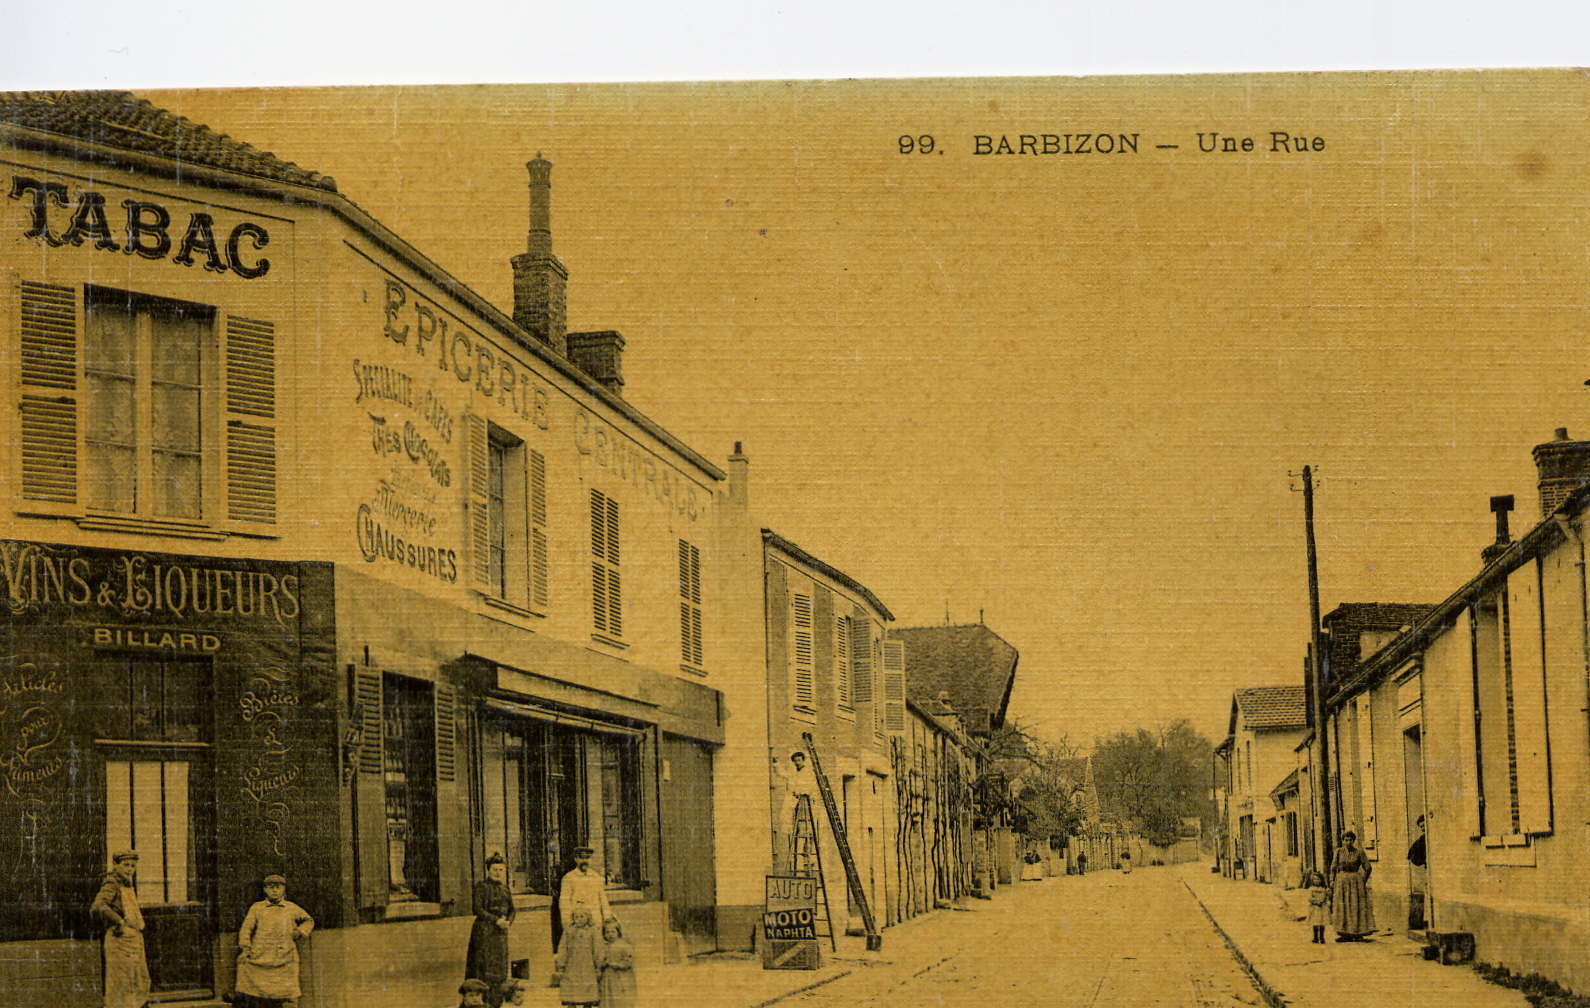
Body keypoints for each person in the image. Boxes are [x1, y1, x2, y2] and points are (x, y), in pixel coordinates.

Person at [235, 874, 315, 1007]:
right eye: (270, 887)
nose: (274, 891)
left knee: (288, 987)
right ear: (265, 890)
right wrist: (245, 948)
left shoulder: (291, 907)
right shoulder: (257, 907)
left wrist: (300, 931)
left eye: (278, 887)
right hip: (261, 953)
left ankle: (288, 1003)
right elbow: (246, 929)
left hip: (285, 954)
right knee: (245, 967)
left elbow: (309, 921)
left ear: (283, 889)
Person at [91, 850, 150, 1008]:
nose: (129, 869)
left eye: (132, 865)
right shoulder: (112, 882)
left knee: (138, 977)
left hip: (133, 937)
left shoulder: (127, 882)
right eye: (125, 865)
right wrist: (119, 922)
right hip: (120, 939)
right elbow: (98, 906)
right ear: (116, 865)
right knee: (121, 980)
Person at [466, 853, 516, 1007]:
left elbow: (513, 910)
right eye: (495, 869)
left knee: (500, 969)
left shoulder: (505, 888)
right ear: (488, 870)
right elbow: (477, 909)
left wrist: (508, 921)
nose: (498, 873)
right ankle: (482, 1003)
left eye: (501, 870)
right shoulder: (481, 887)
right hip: (484, 933)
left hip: (500, 935)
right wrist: (496, 920)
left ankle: (496, 1002)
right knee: (483, 968)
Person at [552, 909, 604, 1007]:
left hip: (588, 966)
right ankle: (571, 1005)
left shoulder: (593, 931)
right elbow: (563, 948)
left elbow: (598, 948)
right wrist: (561, 963)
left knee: (587, 988)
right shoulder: (569, 931)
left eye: (582, 917)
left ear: (588, 917)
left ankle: (587, 1005)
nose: (579, 919)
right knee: (571, 987)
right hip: (572, 966)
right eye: (576, 917)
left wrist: (598, 964)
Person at [1330, 831, 1376, 941]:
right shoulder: (1339, 852)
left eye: (1350, 840)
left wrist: (1362, 880)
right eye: (1346, 840)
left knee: (1356, 905)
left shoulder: (1359, 852)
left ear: (1353, 841)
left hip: (1356, 882)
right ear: (1343, 841)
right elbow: (1333, 867)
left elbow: (1368, 867)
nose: (1348, 842)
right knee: (1343, 905)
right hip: (1341, 881)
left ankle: (1358, 933)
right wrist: (1332, 880)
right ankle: (1344, 933)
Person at [558, 846, 612, 937]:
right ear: (576, 859)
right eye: (581, 858)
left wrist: (607, 918)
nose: (584, 861)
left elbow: (603, 899)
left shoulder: (596, 877)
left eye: (587, 858)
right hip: (578, 922)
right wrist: (568, 922)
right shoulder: (569, 878)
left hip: (595, 920)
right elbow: (564, 903)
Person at [598, 919, 636, 1008]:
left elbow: (629, 961)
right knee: (608, 997)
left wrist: (618, 964)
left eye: (613, 932)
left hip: (621, 977)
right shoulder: (604, 947)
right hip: (608, 977)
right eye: (607, 932)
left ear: (618, 932)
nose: (610, 934)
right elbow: (599, 961)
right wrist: (603, 962)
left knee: (621, 998)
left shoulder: (624, 945)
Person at [1303, 869, 1330, 944]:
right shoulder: (1311, 889)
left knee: (1321, 923)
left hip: (1322, 907)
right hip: (1314, 908)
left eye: (1318, 879)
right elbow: (1309, 898)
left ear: (1321, 880)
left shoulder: (1323, 889)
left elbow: (1325, 897)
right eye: (1314, 879)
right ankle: (1315, 937)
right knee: (1315, 922)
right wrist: (1315, 901)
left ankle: (1321, 937)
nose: (1316, 881)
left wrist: (1323, 900)